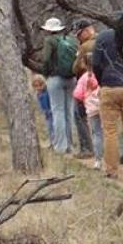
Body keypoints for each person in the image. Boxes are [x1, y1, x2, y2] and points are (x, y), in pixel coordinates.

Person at [90, 27, 123, 179]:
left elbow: (95, 63)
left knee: (110, 131)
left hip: (109, 85)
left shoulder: (102, 37)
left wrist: (102, 81)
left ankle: (112, 170)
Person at [39, 17, 78, 154]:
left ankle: (60, 146)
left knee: (58, 111)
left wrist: (45, 74)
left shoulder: (49, 41)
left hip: (55, 78)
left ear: (48, 30)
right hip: (71, 78)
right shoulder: (70, 40)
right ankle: (70, 145)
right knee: (69, 111)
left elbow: (46, 59)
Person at [71, 20, 97, 158]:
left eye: (79, 34)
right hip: (102, 83)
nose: (78, 37)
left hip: (87, 84)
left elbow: (75, 67)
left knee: (79, 115)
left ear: (87, 31)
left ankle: (87, 148)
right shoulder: (102, 41)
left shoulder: (85, 46)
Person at [73, 56, 103, 171]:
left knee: (96, 133)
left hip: (91, 108)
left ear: (85, 65)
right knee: (109, 131)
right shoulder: (103, 75)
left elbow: (78, 95)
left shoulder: (84, 78)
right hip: (104, 105)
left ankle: (98, 160)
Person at [32, 74, 53, 142]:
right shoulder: (38, 94)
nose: (38, 88)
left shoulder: (47, 92)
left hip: (51, 112)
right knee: (49, 127)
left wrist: (50, 110)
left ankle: (54, 141)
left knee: (52, 126)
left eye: (40, 85)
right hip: (46, 113)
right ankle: (51, 141)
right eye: (36, 86)